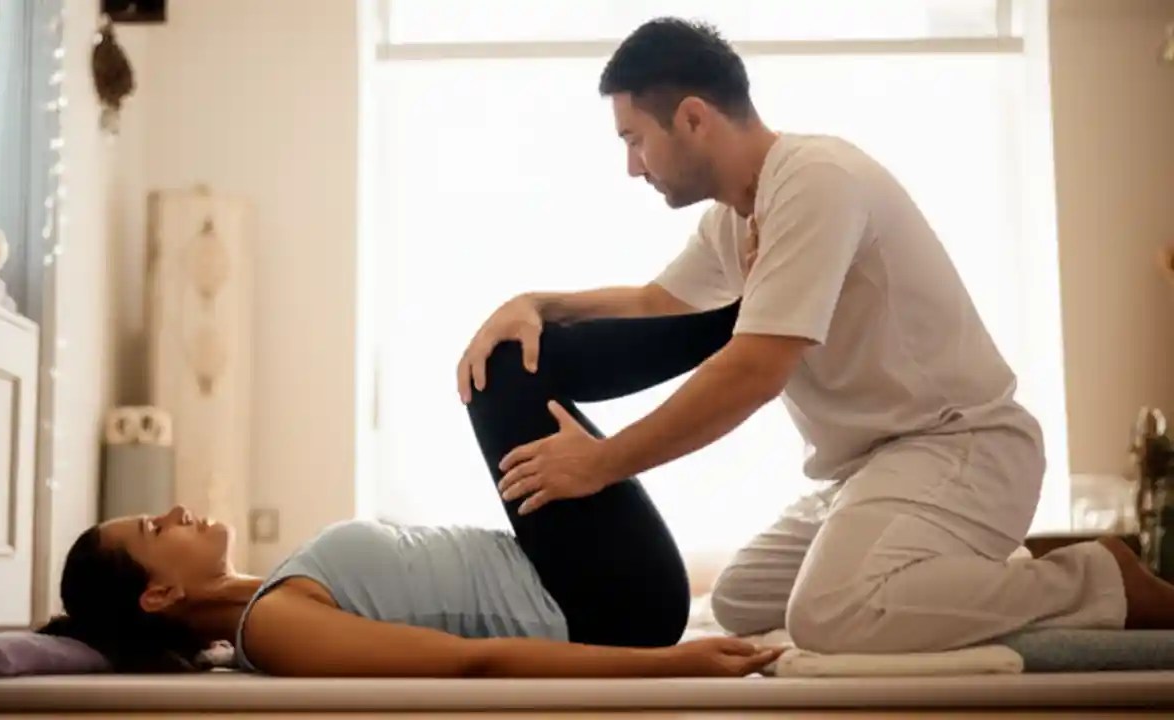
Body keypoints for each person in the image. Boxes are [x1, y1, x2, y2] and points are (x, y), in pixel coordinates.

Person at [457, 17, 1174, 656]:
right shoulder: (735, 216)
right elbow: (655, 301)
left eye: (635, 139)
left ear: (695, 119)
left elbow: (754, 372)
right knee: (739, 601)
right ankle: (953, 574)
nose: (631, 165)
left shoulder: (816, 182)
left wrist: (603, 462)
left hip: (961, 446)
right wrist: (534, 301)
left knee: (832, 613)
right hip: (863, 469)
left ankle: (1095, 579)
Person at [36, 309, 785, 676]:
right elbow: (469, 662)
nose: (172, 511)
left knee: (510, 355)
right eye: (153, 530)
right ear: (158, 596)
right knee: (502, 370)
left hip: (575, 574)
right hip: (598, 603)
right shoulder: (271, 628)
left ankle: (749, 319)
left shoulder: (279, 589)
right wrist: (671, 664)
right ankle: (753, 320)